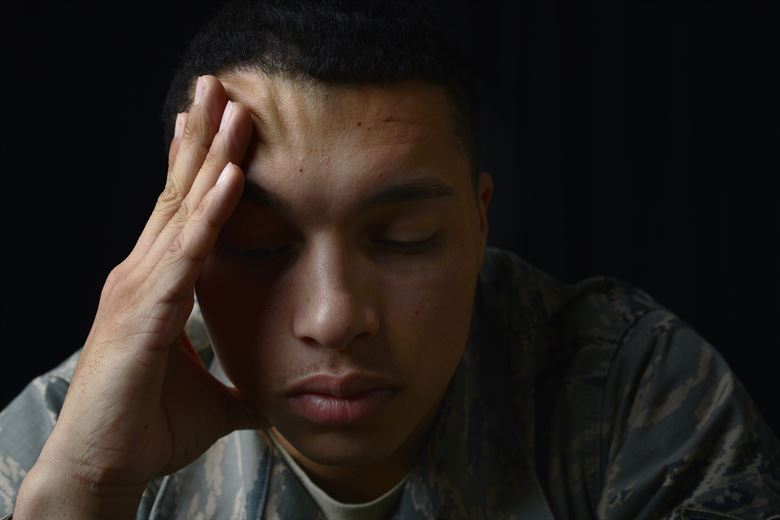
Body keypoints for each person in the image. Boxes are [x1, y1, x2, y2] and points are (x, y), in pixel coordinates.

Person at [1, 1, 778, 518]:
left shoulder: (634, 394)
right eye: (257, 248)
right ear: (183, 252)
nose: (335, 317)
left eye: (404, 239)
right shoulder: (67, 432)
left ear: (480, 225)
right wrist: (84, 493)